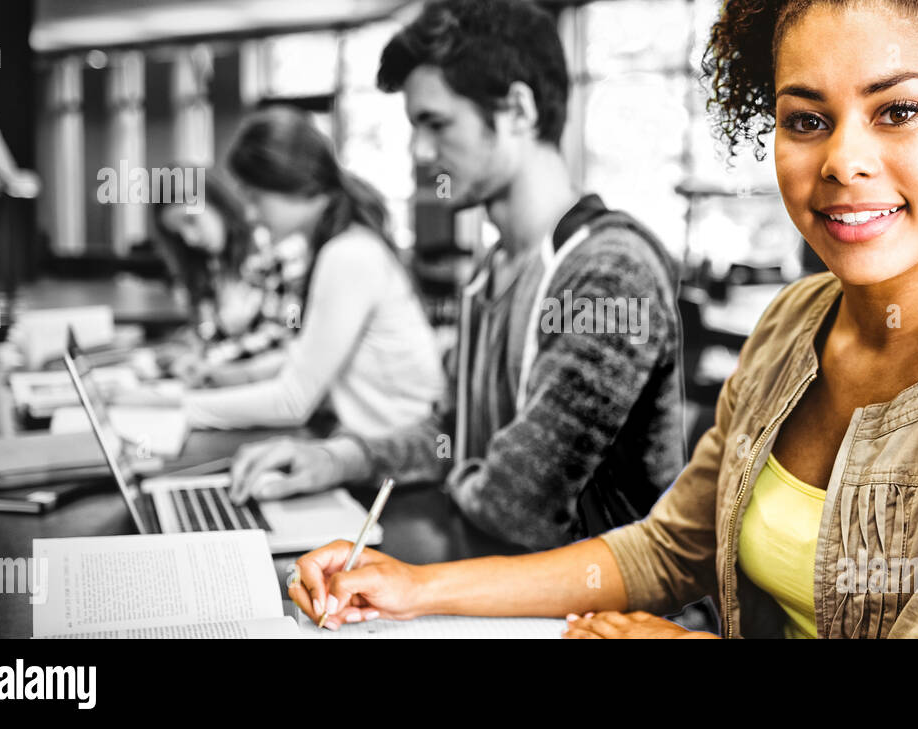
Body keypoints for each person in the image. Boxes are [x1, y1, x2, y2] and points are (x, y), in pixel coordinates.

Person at [286, 0, 918, 639]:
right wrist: (418, 587)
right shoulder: (792, 323)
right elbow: (665, 552)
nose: (844, 160)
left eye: (898, 111)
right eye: (807, 119)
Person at [230, 0, 686, 551]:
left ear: (518, 109)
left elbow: (520, 506)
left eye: (436, 123)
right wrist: (338, 459)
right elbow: (452, 437)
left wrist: (468, 469)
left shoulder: (610, 274)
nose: (421, 152)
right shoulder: (492, 271)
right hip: (504, 586)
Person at [118, 106, 445, 444]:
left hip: (395, 455)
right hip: (366, 444)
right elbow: (304, 356)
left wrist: (176, 407)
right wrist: (227, 377)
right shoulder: (340, 245)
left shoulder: (348, 254)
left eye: (256, 198)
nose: (249, 213)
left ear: (294, 183)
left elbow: (293, 401)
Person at [149, 170, 309, 387]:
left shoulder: (281, 253)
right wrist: (190, 352)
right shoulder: (209, 270)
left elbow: (287, 333)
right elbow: (211, 334)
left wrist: (211, 360)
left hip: (273, 391)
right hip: (224, 390)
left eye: (191, 220)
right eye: (178, 233)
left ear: (218, 204)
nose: (190, 238)